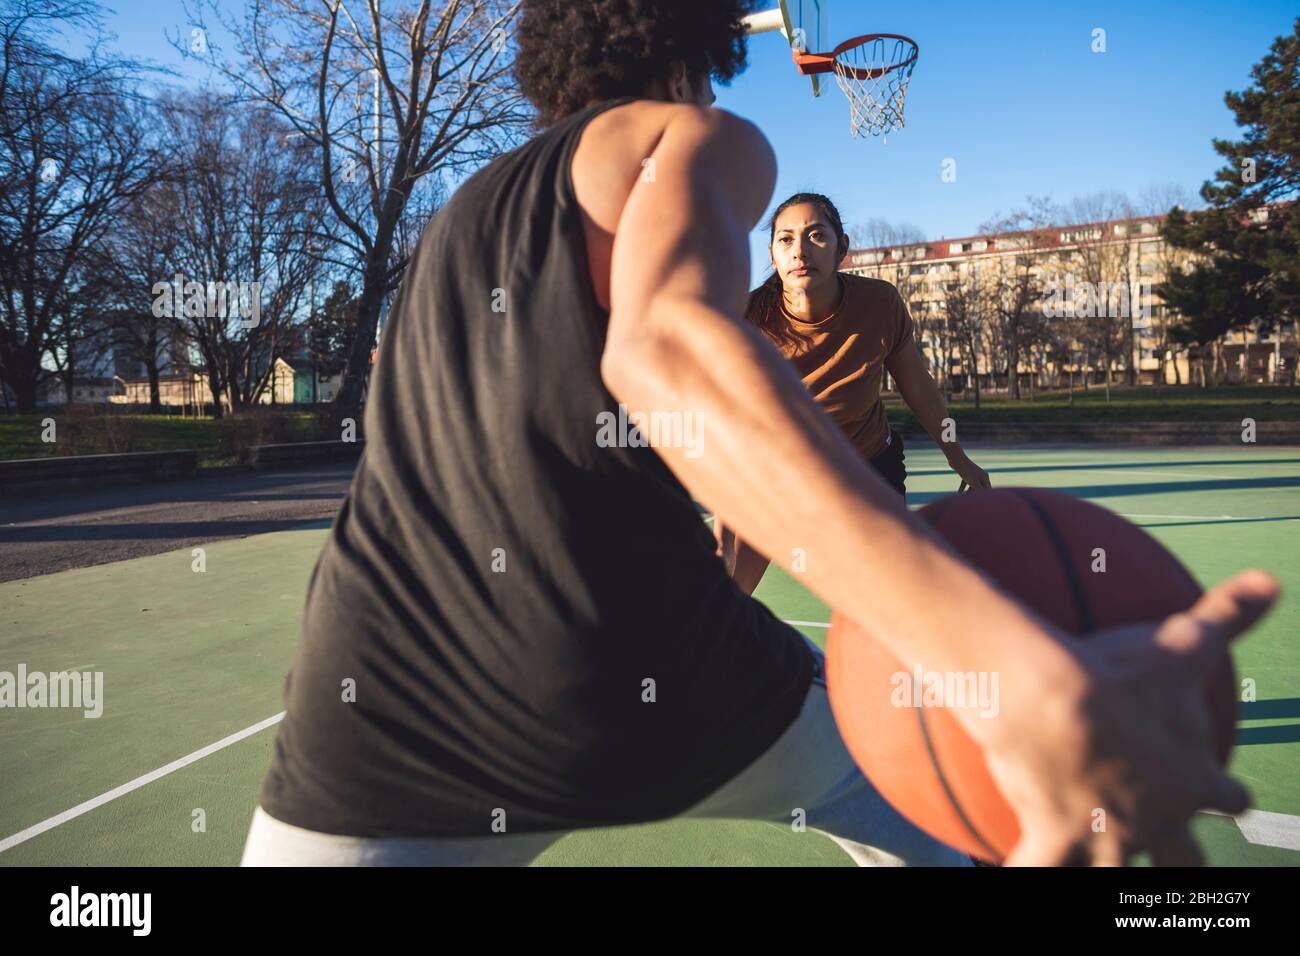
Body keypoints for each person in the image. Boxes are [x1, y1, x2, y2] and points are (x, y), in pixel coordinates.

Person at [241, 0, 1276, 867]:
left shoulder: (457, 215)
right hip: (638, 668)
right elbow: (664, 355)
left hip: (373, 698)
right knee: (950, 813)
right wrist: (1003, 662)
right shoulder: (686, 135)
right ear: (703, 40)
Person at [716, 191, 992, 594]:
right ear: (773, 255)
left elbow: (918, 386)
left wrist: (958, 457)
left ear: (842, 248)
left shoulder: (879, 303)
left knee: (897, 593)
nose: (800, 251)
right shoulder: (746, 319)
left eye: (816, 236)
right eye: (786, 239)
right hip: (780, 472)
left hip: (866, 466)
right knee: (724, 594)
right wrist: (729, 513)